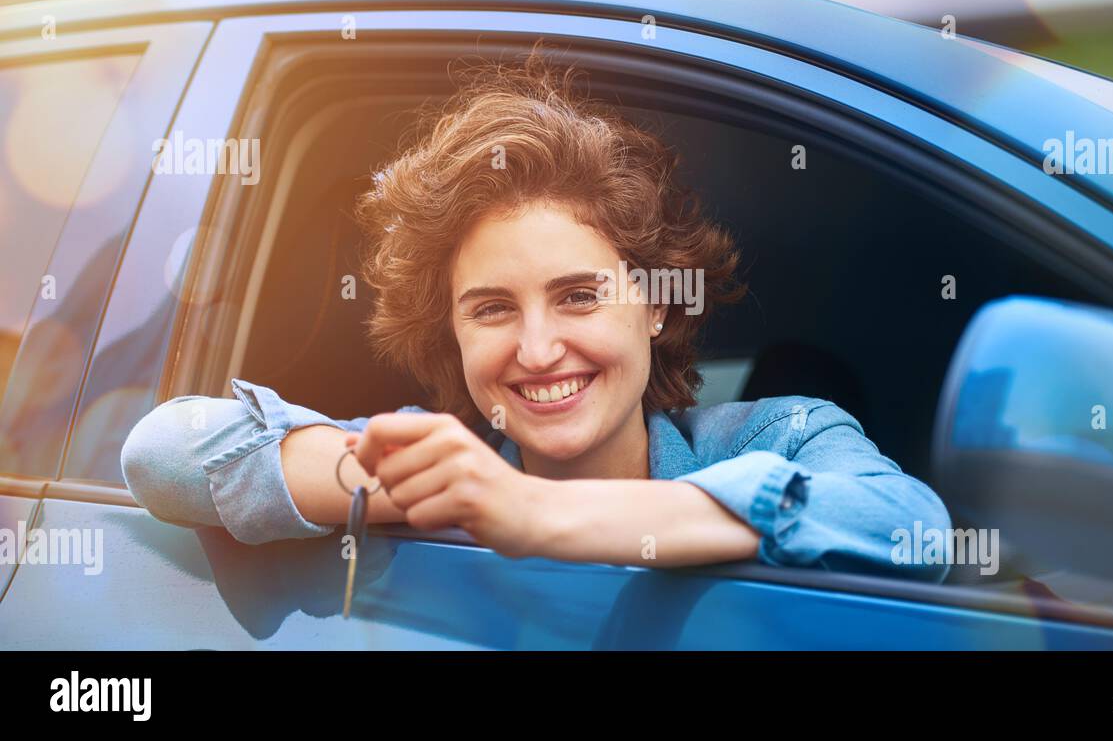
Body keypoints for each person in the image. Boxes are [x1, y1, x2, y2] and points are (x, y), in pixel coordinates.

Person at [121, 44, 951, 580]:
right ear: (450, 330)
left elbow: (915, 529)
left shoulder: (780, 434)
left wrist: (540, 514)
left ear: (657, 304)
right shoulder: (436, 459)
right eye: (491, 310)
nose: (539, 347)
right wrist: (417, 488)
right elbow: (161, 453)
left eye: (578, 295)